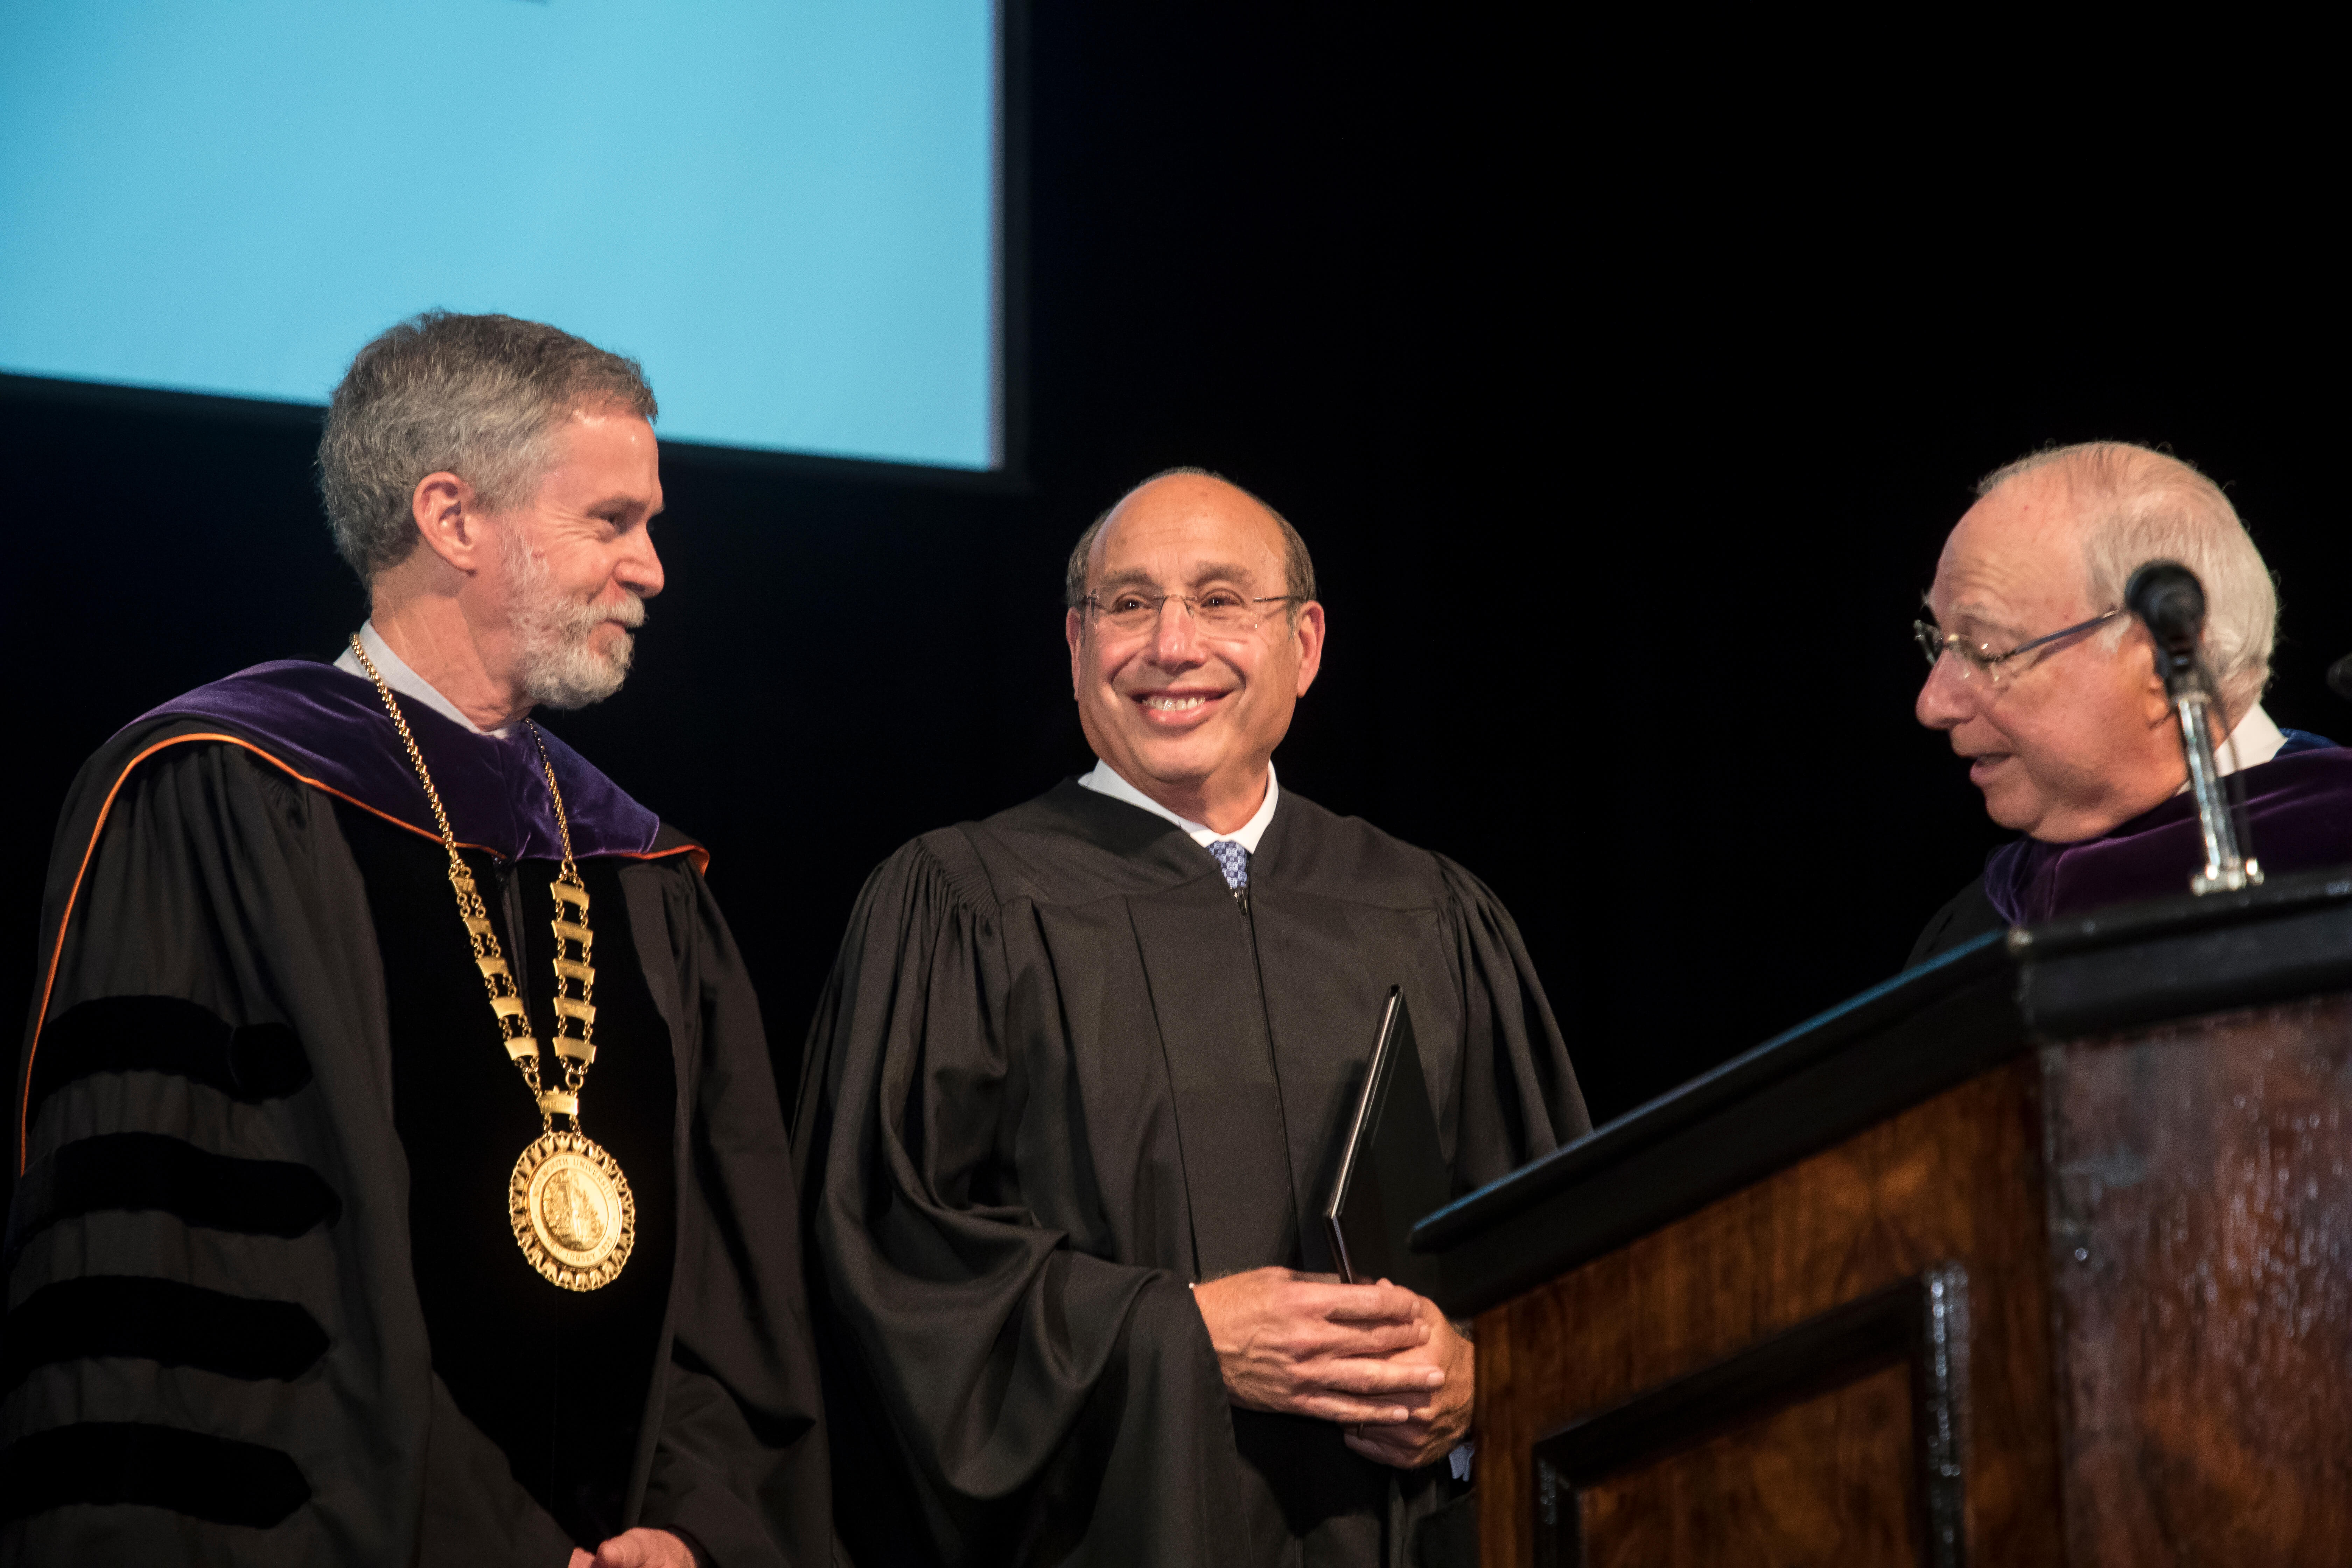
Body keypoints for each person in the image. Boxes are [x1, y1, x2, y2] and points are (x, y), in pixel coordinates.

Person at [4, 313, 827, 1567]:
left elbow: (727, 1278)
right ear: (453, 519)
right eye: (612, 521)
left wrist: (695, 1526)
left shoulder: (637, 869)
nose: (653, 568)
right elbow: (196, 1262)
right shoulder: (224, 798)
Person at [792, 468, 1589, 1566]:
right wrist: (1182, 1336)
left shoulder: (1431, 913)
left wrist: (1481, 1376)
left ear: (1305, 645)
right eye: (1129, 604)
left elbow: (1560, 1252)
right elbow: (888, 1265)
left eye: (1221, 601)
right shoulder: (963, 907)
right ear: (1077, 645)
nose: (1173, 645)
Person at [1909, 441, 2352, 965]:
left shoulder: (2332, 849)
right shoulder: (1978, 926)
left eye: (1986, 650)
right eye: (1939, 643)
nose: (1933, 705)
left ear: (2164, 661)